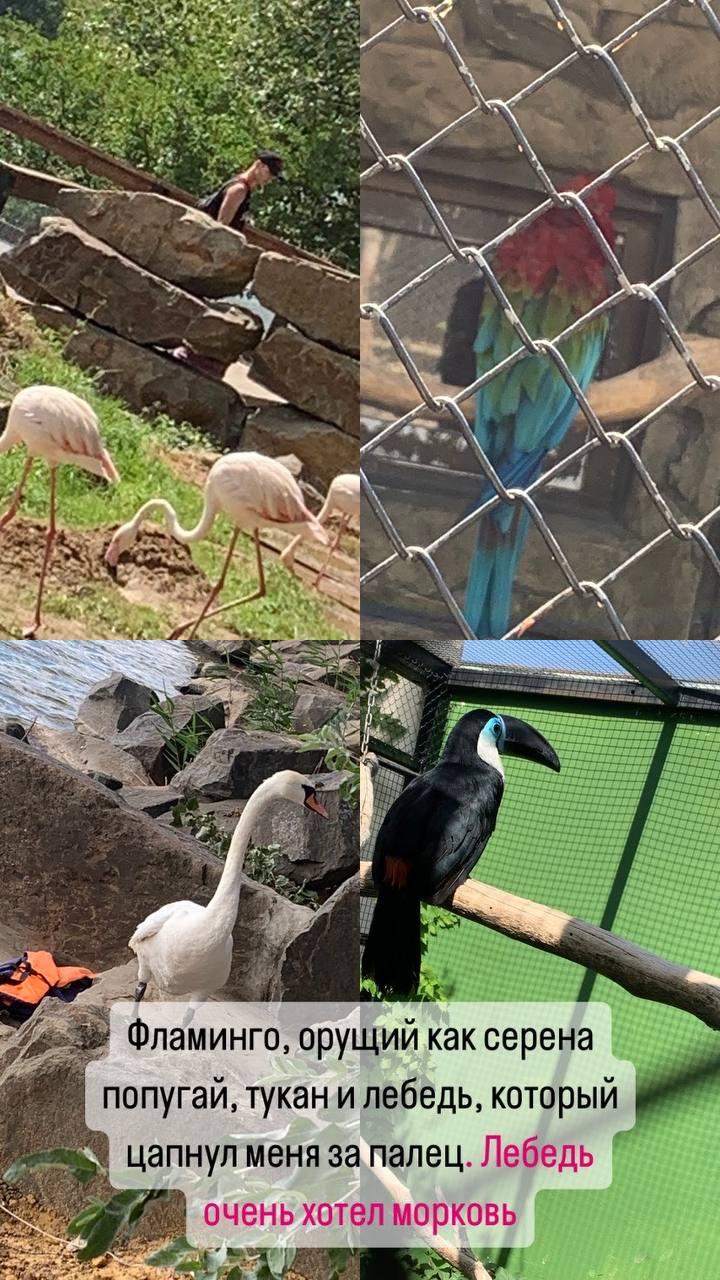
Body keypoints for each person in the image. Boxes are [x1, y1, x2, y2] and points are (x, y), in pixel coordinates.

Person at [199, 149, 284, 232]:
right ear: (259, 165)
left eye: (273, 176)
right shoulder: (239, 189)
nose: (270, 179)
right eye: (269, 173)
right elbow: (221, 227)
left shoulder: (245, 189)